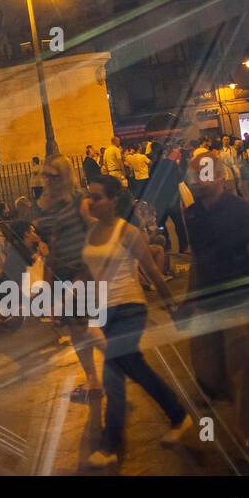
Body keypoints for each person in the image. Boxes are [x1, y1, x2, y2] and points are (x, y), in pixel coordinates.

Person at [82, 175, 191, 468]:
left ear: (113, 201)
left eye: (97, 196)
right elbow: (89, 275)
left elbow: (153, 272)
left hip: (129, 308)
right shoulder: (91, 233)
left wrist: (171, 307)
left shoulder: (126, 232)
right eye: (89, 196)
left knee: (113, 373)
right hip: (105, 312)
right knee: (134, 368)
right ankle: (178, 414)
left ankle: (110, 444)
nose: (91, 201)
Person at [183, 151, 249, 460]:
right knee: (210, 374)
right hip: (209, 305)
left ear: (221, 176)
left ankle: (247, 441)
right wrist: (189, 301)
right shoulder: (192, 215)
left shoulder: (242, 212)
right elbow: (197, 262)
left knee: (242, 375)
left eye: (204, 174)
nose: (197, 180)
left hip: (241, 303)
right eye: (194, 175)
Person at [34, 154, 102, 403]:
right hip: (61, 273)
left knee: (85, 326)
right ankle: (93, 379)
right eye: (46, 174)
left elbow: (94, 230)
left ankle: (122, 362)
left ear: (64, 176)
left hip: (82, 272)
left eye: (53, 175)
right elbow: (47, 243)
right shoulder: (44, 204)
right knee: (76, 329)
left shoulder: (78, 200)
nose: (48, 179)